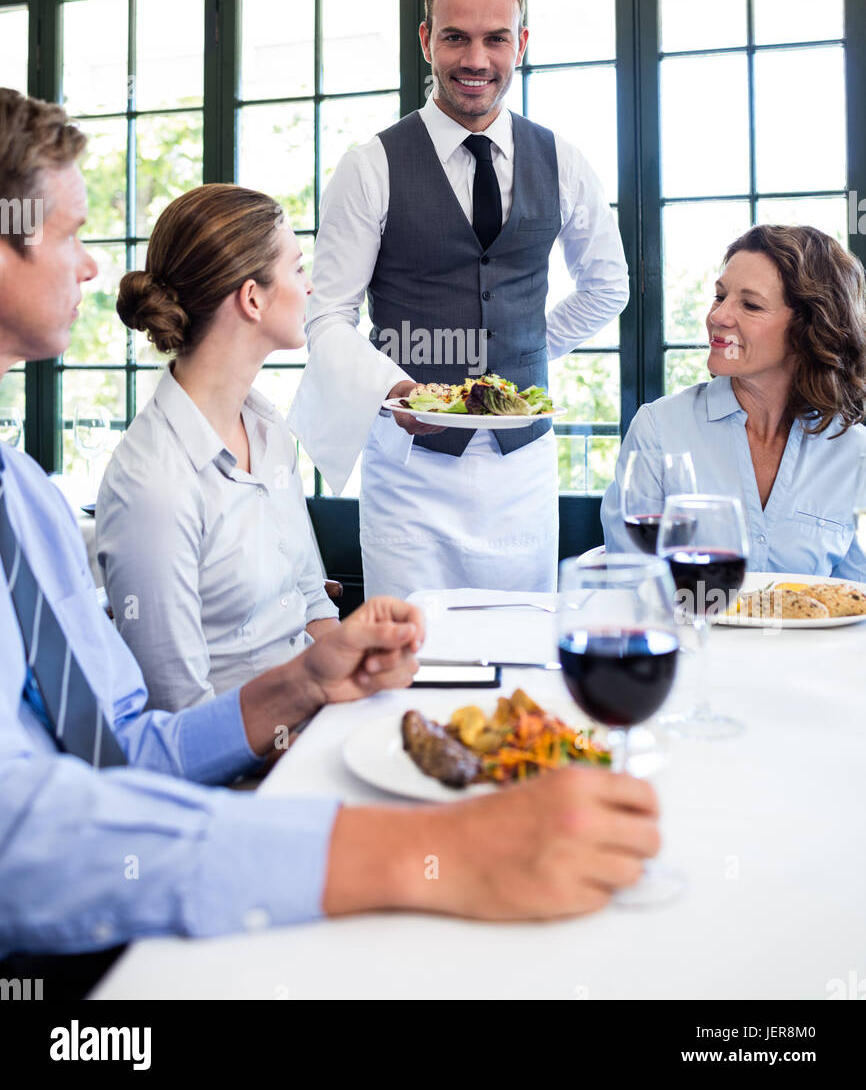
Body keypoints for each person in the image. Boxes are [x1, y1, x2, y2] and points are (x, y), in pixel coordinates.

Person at [0, 88, 660, 997]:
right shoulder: (149, 484)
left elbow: (130, 750)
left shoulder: (29, 491)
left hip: (251, 775)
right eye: (71, 233)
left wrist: (316, 679)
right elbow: (50, 822)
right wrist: (426, 848)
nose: (87, 270)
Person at [290, 0, 629, 598]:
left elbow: (608, 286)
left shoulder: (563, 161)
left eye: (495, 38)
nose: (476, 58)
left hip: (521, 468)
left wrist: (525, 350)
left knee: (518, 652)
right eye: (455, 37)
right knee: (412, 660)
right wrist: (395, 386)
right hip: (410, 468)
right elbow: (327, 314)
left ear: (520, 45)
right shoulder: (371, 167)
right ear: (427, 41)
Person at [97, 184, 340, 711]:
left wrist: (360, 665)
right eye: (298, 269)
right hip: (241, 773)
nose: (311, 286)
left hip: (316, 722)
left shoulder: (269, 431)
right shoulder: (153, 486)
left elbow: (314, 605)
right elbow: (178, 718)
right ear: (252, 298)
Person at [601, 225, 866, 577]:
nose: (718, 317)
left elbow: (854, 603)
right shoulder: (660, 429)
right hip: (689, 631)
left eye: (751, 304)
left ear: (810, 327)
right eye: (719, 296)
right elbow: (630, 581)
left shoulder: (852, 453)